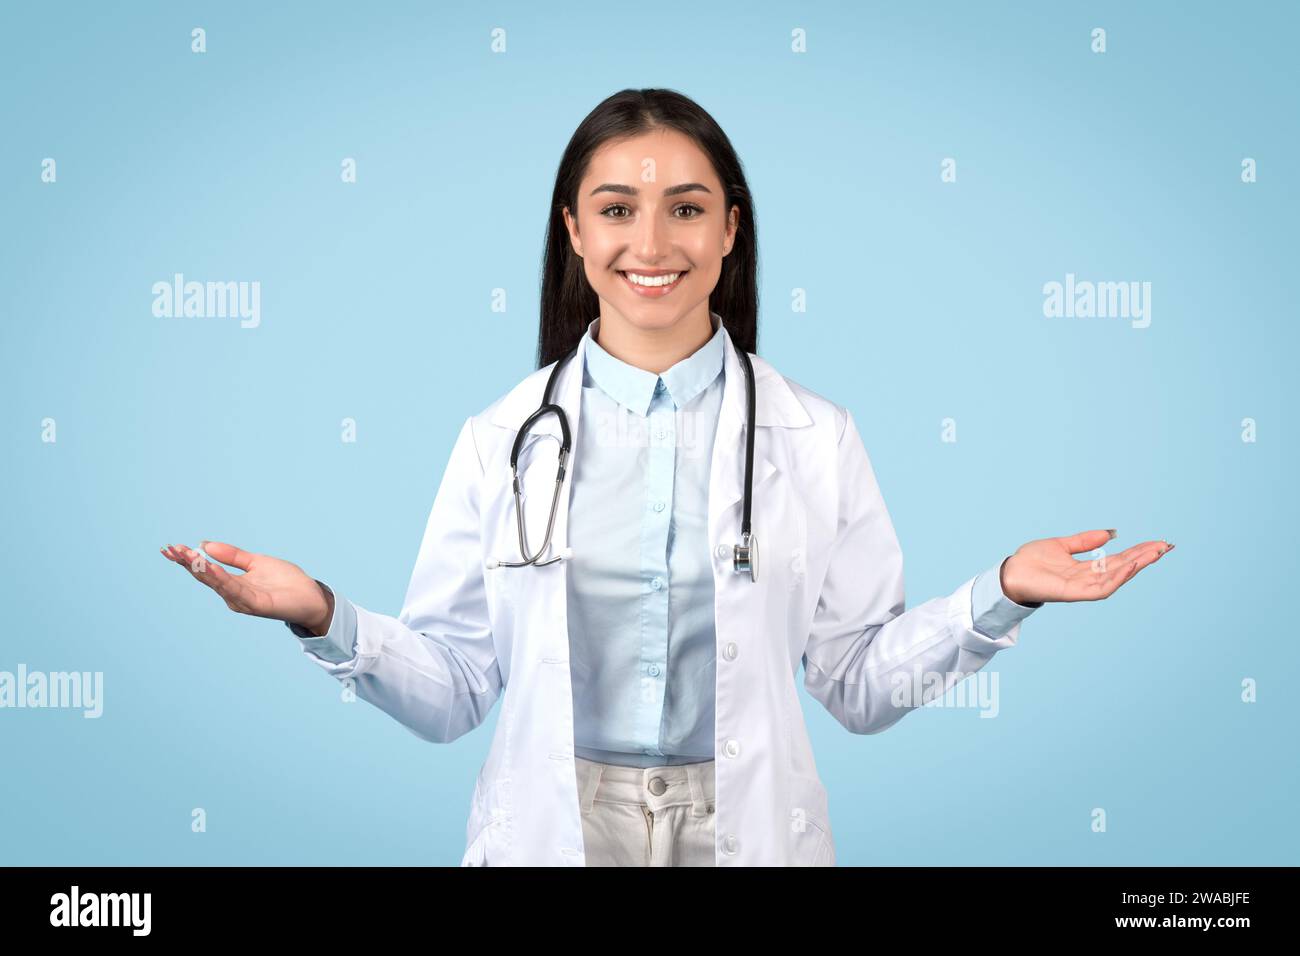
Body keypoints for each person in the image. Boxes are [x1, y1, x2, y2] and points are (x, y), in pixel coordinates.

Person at [162, 88, 1172, 867]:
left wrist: (999, 595)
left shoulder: (814, 435)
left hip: (747, 825)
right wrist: (321, 614)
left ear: (729, 229)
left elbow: (860, 684)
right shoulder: (502, 437)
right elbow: (457, 689)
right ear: (573, 231)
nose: (650, 244)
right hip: (551, 825)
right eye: (616, 209)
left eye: (685, 209)